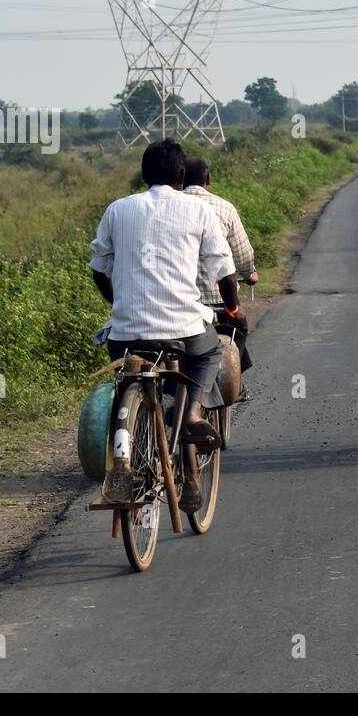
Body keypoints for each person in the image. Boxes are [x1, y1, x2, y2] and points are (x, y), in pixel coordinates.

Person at [89, 139, 240, 511]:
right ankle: (192, 413)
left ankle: (124, 451)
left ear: (143, 174)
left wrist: (120, 304)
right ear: (180, 175)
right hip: (184, 329)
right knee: (208, 353)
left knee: (128, 377)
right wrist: (233, 308)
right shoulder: (198, 209)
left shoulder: (117, 209)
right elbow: (224, 270)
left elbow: (98, 268)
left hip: (125, 334)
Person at [183, 156, 257, 385]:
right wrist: (249, 273)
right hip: (217, 301)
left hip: (179, 299)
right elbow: (242, 253)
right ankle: (232, 379)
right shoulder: (223, 207)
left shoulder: (165, 208)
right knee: (238, 323)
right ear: (208, 178)